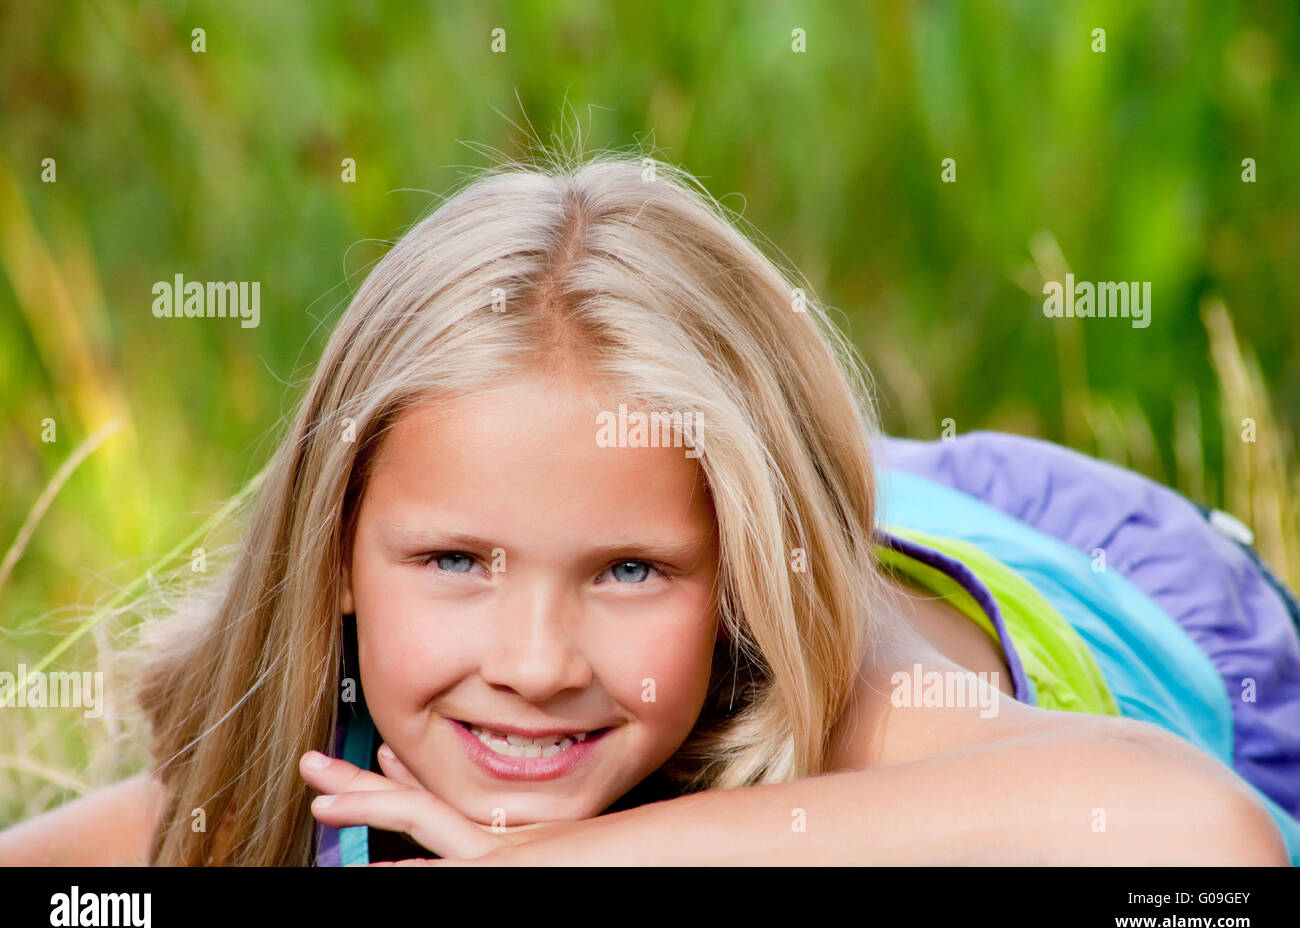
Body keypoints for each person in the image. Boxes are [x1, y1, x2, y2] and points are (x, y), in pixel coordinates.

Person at [0, 152, 1293, 866]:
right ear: (334, 554)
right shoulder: (332, 733)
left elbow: (1207, 839)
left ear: (733, 585)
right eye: (455, 559)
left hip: (1117, 589)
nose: (533, 665)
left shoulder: (857, 701)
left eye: (628, 575)